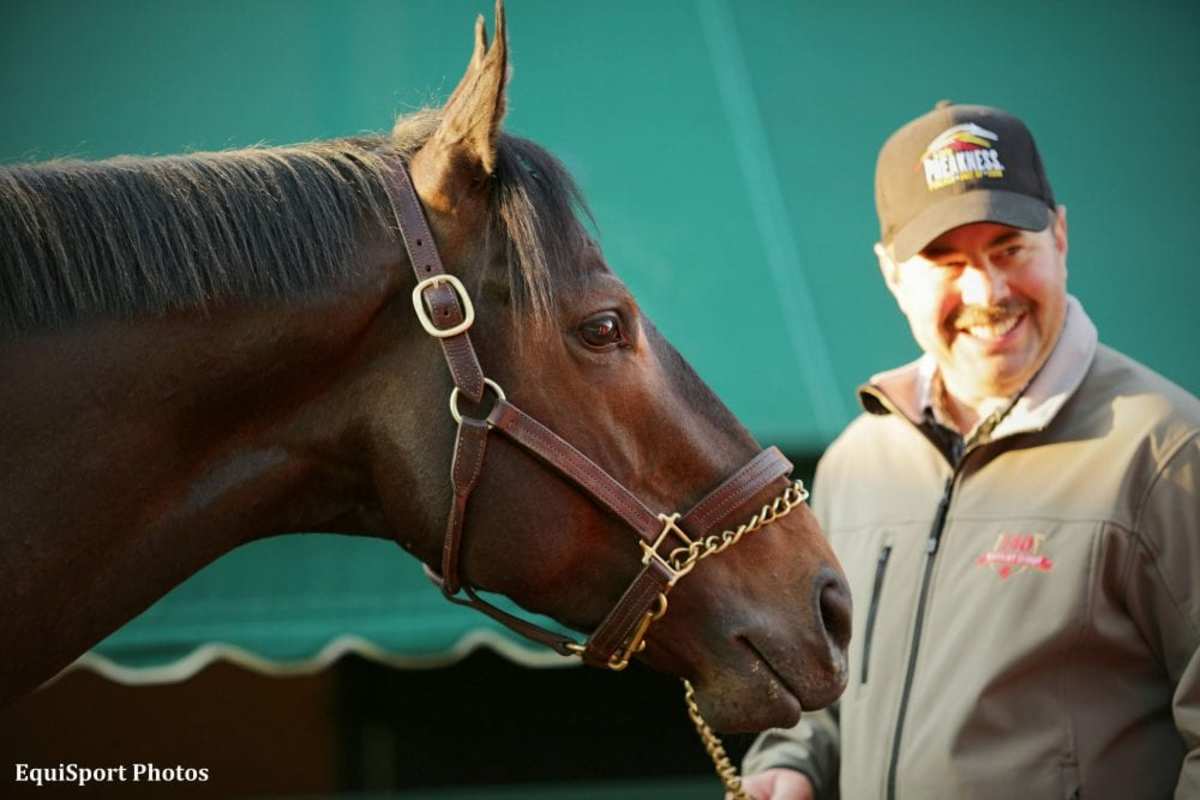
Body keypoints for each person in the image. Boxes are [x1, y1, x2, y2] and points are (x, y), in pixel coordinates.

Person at [738, 103, 1200, 799]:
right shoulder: (855, 465)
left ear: (1062, 237)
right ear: (892, 273)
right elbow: (828, 686)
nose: (988, 291)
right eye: (946, 261)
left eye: (1010, 249)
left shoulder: (1167, 454)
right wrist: (790, 764)